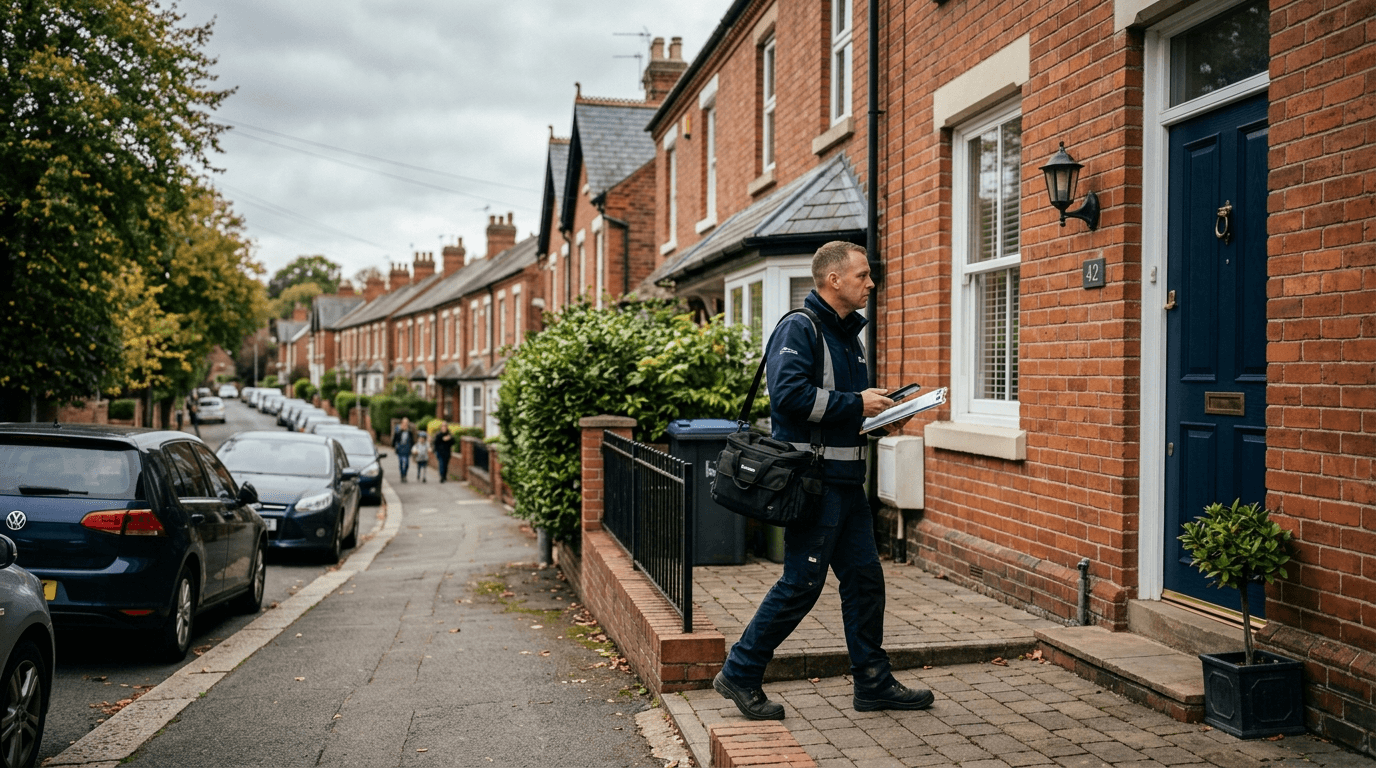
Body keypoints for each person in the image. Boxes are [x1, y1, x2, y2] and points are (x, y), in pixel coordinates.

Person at [713, 241, 931, 720]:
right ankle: (740, 671)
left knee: (865, 581)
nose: (870, 283)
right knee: (801, 583)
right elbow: (789, 397)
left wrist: (878, 417)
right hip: (815, 486)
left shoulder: (848, 335)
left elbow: (839, 409)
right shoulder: (800, 327)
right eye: (862, 276)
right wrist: (858, 405)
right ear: (834, 280)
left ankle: (872, 682)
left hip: (847, 483)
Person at [392, 417, 415, 482]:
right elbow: (395, 440)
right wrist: (394, 447)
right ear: (402, 423)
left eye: (406, 423)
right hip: (400, 448)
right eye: (404, 423)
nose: (405, 424)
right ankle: (402, 475)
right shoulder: (398, 431)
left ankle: (405, 474)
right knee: (401, 463)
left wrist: (412, 448)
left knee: (407, 463)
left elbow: (412, 440)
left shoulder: (409, 431)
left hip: (407, 448)